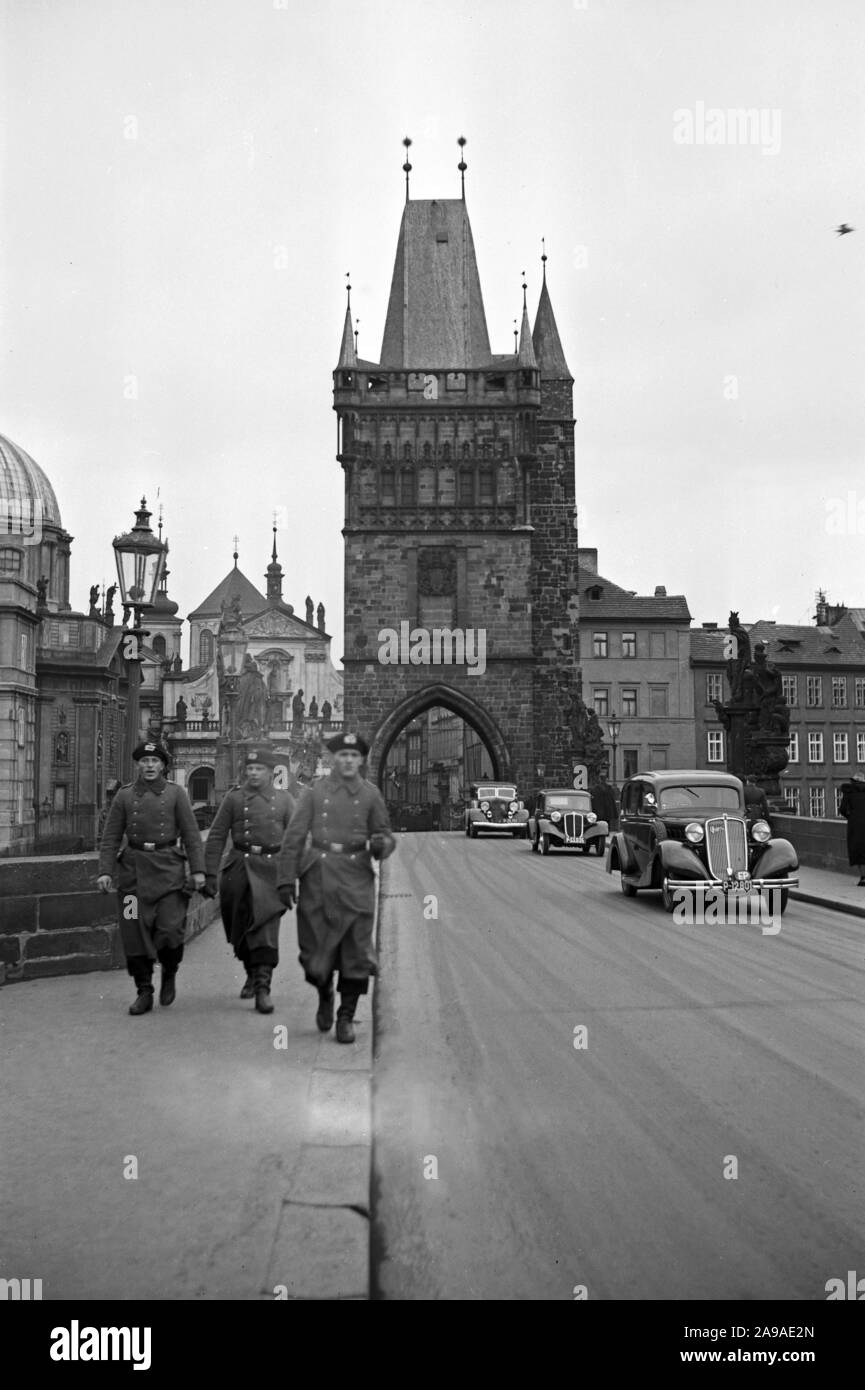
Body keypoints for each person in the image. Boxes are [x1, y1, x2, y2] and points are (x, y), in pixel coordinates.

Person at [277, 732, 396, 1043]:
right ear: (333, 759)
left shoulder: (370, 795)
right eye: (342, 755)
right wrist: (286, 879)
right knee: (314, 953)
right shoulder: (315, 792)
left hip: (356, 878)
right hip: (318, 876)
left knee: (355, 950)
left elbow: (384, 834)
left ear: (361, 760)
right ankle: (325, 992)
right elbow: (293, 836)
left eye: (353, 756)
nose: (347, 761)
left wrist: (382, 845)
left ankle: (346, 1015)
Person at [97, 742, 205, 1016]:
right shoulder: (124, 797)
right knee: (133, 931)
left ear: (163, 766)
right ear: (138, 765)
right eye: (144, 761)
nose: (148, 766)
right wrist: (105, 871)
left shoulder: (176, 794)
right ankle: (144, 990)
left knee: (169, 929)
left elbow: (192, 836)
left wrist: (198, 870)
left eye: (154, 761)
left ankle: (169, 969)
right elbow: (110, 837)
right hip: (132, 877)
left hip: (168, 872)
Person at [204, 746, 296, 1012]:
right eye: (251, 769)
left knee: (266, 930)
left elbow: (296, 839)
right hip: (238, 868)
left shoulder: (284, 800)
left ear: (270, 773)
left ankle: (263, 988)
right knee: (240, 928)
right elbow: (217, 835)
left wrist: (293, 876)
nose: (254, 773)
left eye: (260, 769)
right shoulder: (234, 799)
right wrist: (210, 872)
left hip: (271, 871)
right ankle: (250, 973)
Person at [838, 771, 865, 886]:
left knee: (858, 850)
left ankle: (863, 877)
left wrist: (851, 817)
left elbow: (843, 809)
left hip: (855, 824)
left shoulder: (849, 792)